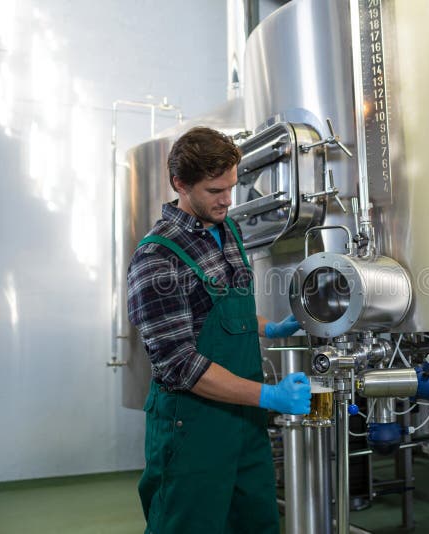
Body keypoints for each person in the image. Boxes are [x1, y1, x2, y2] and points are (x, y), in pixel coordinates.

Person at [127, 126, 310, 534]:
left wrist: (272, 328)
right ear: (180, 184)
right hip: (191, 429)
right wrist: (270, 395)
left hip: (244, 423)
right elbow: (179, 364)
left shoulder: (227, 231)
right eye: (215, 190)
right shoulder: (156, 258)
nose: (227, 200)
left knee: (256, 524)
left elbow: (227, 314)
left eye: (231, 186)